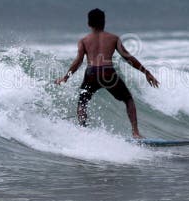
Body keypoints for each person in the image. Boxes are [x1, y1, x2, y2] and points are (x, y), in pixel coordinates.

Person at [55, 8, 159, 139]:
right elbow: (128, 58)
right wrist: (146, 72)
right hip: (108, 73)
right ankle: (135, 132)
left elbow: (78, 61)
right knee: (128, 99)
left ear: (89, 23)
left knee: (82, 102)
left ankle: (83, 131)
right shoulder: (114, 38)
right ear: (104, 22)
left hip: (91, 73)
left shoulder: (84, 41)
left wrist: (65, 77)